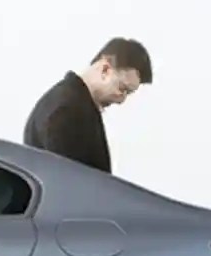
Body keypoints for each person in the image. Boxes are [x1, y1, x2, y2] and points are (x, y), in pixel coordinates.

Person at [23, 37, 152, 173]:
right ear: (105, 69)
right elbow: (69, 180)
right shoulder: (67, 110)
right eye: (122, 88)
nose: (121, 100)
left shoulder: (73, 104)